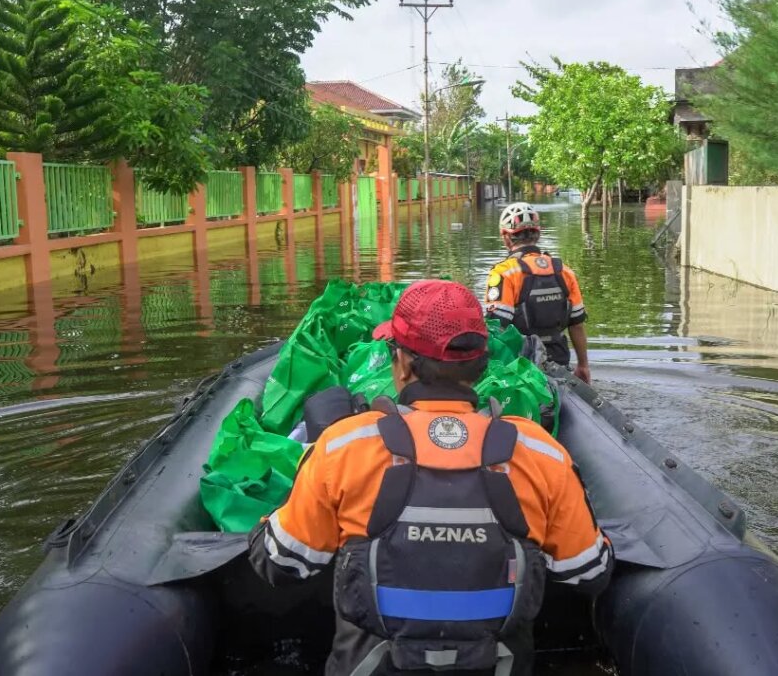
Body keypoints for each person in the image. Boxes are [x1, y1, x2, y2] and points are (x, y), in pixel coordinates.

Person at [249, 279, 613, 675]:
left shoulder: (344, 446)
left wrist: (291, 498)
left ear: (402, 364)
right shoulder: (540, 452)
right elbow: (588, 572)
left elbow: (282, 562)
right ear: (481, 364)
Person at [485, 202, 591, 383]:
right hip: (560, 365)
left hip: (520, 369)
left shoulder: (504, 273)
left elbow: (497, 329)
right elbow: (577, 324)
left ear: (506, 237)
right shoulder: (564, 271)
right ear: (538, 234)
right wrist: (583, 365)